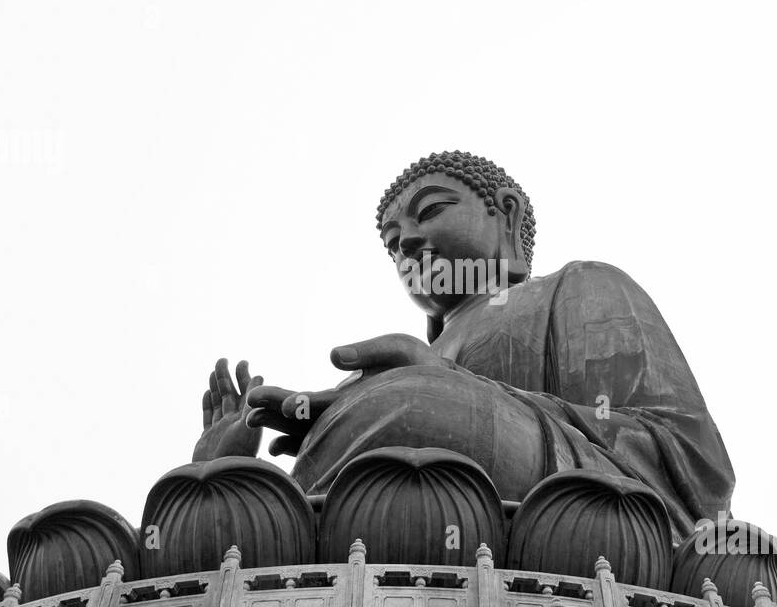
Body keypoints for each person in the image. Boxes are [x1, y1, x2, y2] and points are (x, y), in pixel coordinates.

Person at [198, 151, 735, 543]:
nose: (405, 242)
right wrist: (222, 473)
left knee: (410, 404)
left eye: (428, 212)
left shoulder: (578, 286)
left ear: (506, 214)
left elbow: (692, 468)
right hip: (393, 532)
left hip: (586, 524)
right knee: (398, 406)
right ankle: (235, 509)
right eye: (391, 242)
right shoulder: (409, 363)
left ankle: (263, 528)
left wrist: (448, 394)